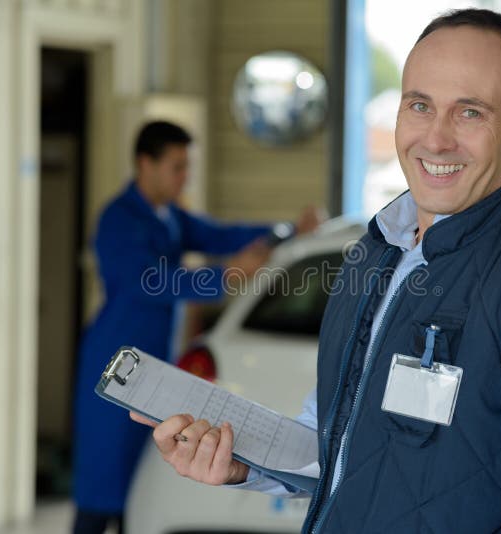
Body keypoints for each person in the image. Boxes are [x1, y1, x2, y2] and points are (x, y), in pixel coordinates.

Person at [131, 9, 501, 533]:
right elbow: (337, 442)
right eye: (419, 106)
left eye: (470, 113)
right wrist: (241, 462)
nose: (435, 139)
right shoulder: (376, 252)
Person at [72, 120, 319, 534]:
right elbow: (147, 280)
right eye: (177, 167)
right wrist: (222, 277)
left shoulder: (168, 216)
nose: (184, 177)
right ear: (144, 164)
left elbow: (219, 234)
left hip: (154, 362)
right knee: (104, 481)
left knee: (144, 475)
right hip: (115, 361)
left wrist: (289, 229)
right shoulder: (119, 219)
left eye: (187, 167)